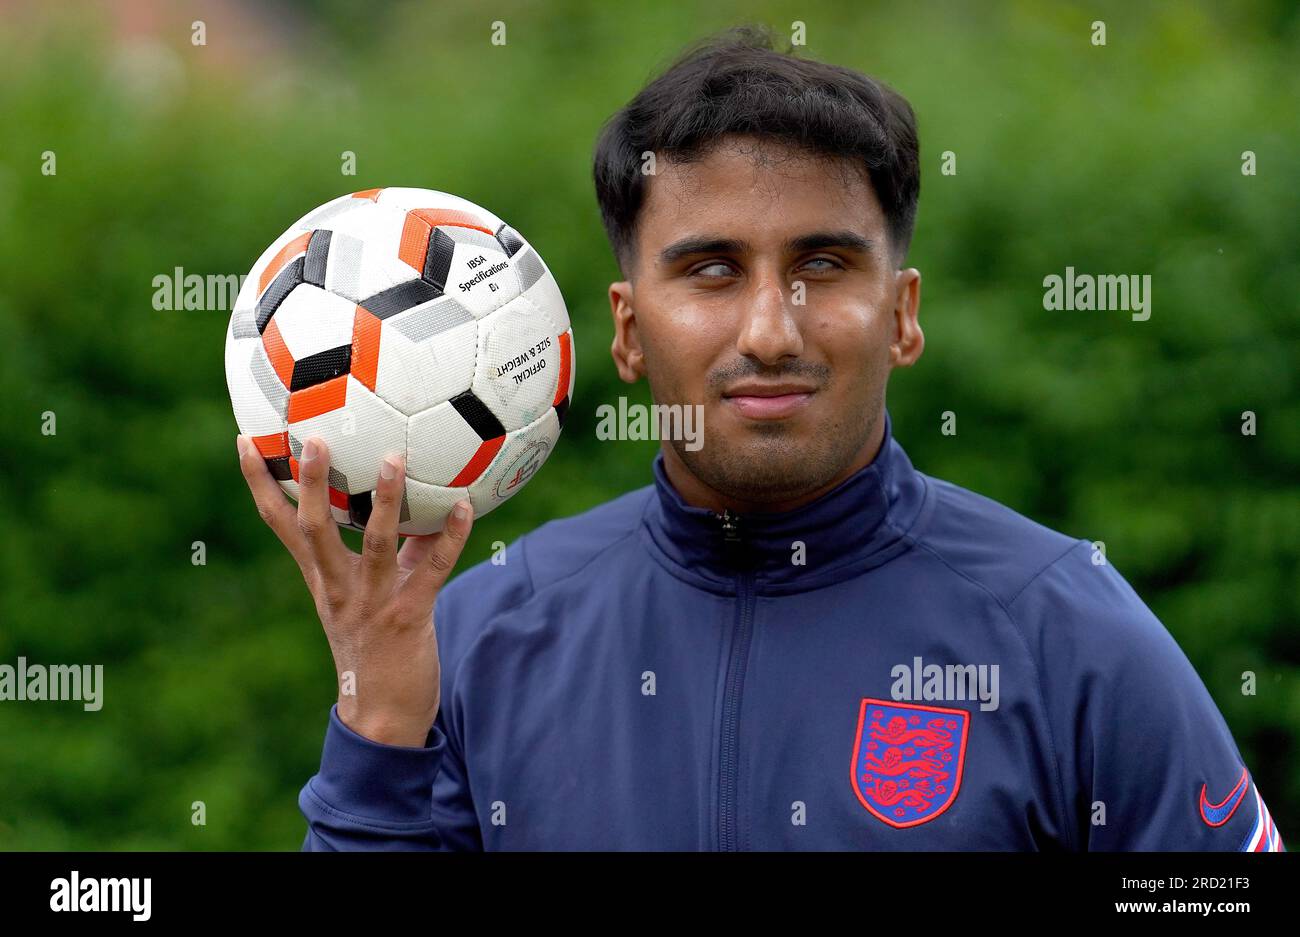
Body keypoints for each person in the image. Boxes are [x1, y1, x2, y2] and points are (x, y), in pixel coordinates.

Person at [237, 26, 1283, 851]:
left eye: (824, 265)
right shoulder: (480, 640)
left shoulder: (1068, 635)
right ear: (629, 328)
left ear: (903, 312)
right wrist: (378, 730)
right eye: (710, 269)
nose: (771, 330)